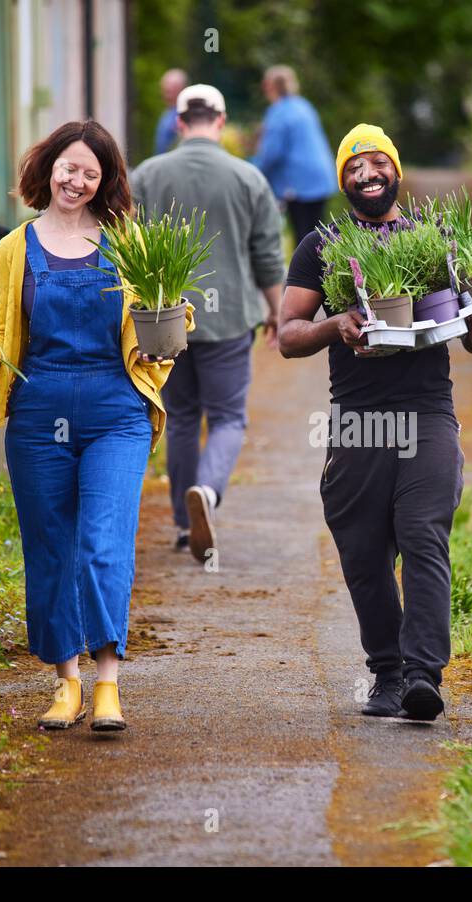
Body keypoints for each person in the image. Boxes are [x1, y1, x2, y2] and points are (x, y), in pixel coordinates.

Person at [277, 124, 472, 721]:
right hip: (358, 417)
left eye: (378, 163)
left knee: (422, 534)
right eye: (354, 168)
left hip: (428, 411)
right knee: (362, 549)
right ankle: (385, 669)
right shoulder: (322, 245)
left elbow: (470, 326)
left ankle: (423, 676)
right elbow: (288, 335)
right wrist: (337, 326)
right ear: (342, 182)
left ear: (397, 172)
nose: (367, 175)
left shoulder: (435, 242)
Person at [0, 119, 192, 733]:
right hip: (37, 414)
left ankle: (107, 683)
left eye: (90, 173)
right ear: (48, 167)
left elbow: (169, 312)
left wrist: (174, 327)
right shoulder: (14, 249)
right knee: (50, 546)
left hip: (116, 411)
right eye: (68, 167)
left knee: (104, 541)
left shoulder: (126, 242)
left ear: (105, 182)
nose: (76, 180)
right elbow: (0, 331)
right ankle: (66, 682)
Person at [130, 84, 285, 563]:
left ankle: (182, 522)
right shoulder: (248, 177)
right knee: (228, 418)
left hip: (164, 321)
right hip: (231, 318)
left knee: (179, 420)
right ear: (221, 121)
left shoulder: (147, 176)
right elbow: (266, 254)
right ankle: (208, 493)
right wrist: (278, 312)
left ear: (179, 123)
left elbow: (126, 247)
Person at [250, 65, 338, 244]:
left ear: (268, 86)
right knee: (317, 236)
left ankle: (307, 272)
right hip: (321, 178)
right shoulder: (304, 105)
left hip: (300, 184)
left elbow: (271, 154)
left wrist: (249, 170)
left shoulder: (278, 113)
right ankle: (322, 271)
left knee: (304, 239)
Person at [154, 68, 188, 155]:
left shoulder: (186, 114)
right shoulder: (166, 114)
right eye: (165, 86)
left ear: (181, 88)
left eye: (171, 87)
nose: (166, 90)